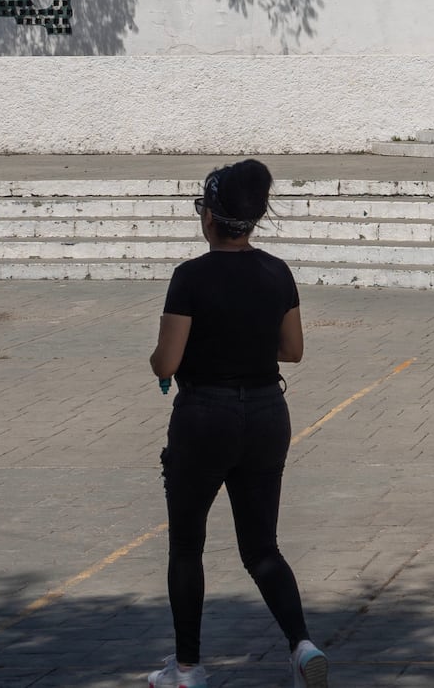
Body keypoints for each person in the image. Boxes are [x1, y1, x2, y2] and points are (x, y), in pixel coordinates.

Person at [146, 159, 330, 688]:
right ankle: (302, 645)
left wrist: (163, 360)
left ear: (210, 217)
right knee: (262, 547)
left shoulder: (190, 277)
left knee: (187, 546)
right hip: (267, 413)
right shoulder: (277, 271)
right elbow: (292, 350)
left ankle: (187, 668)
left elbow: (167, 362)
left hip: (205, 416)